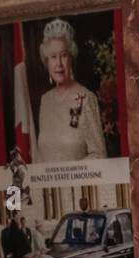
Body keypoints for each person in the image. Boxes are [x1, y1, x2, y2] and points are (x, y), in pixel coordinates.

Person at [32, 19, 107, 163]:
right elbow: (41, 156)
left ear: (71, 58)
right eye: (53, 57)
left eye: (64, 55)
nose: (59, 63)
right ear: (46, 62)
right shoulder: (45, 100)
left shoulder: (86, 99)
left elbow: (99, 156)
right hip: (48, 185)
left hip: (79, 184)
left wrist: (67, 174)